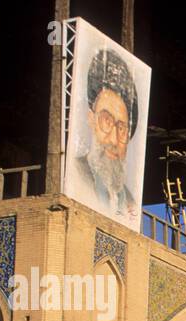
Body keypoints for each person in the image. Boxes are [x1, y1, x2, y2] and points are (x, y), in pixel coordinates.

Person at [72, 46, 141, 221]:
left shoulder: (130, 201)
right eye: (106, 121)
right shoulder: (76, 174)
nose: (113, 139)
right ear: (91, 119)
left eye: (122, 128)